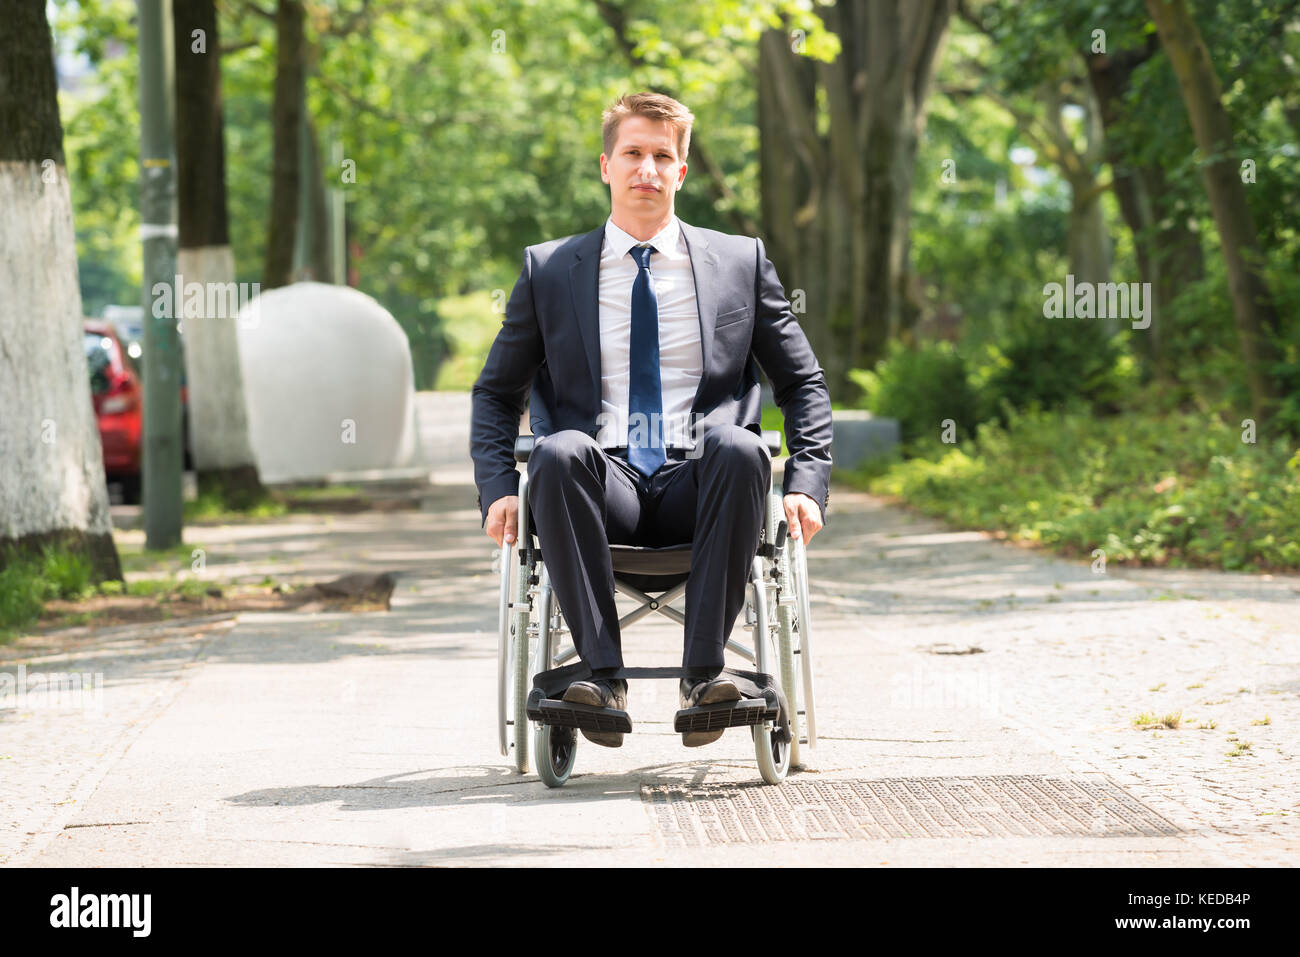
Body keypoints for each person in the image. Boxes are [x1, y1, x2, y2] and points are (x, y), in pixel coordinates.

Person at [470, 92, 832, 748]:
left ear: (682, 171)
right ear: (605, 165)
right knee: (556, 451)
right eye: (633, 153)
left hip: (704, 486)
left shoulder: (739, 263)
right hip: (599, 490)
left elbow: (802, 381)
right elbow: (496, 393)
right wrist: (497, 486)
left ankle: (706, 678)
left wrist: (806, 479)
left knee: (741, 444)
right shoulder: (550, 270)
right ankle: (599, 678)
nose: (648, 168)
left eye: (663, 155)